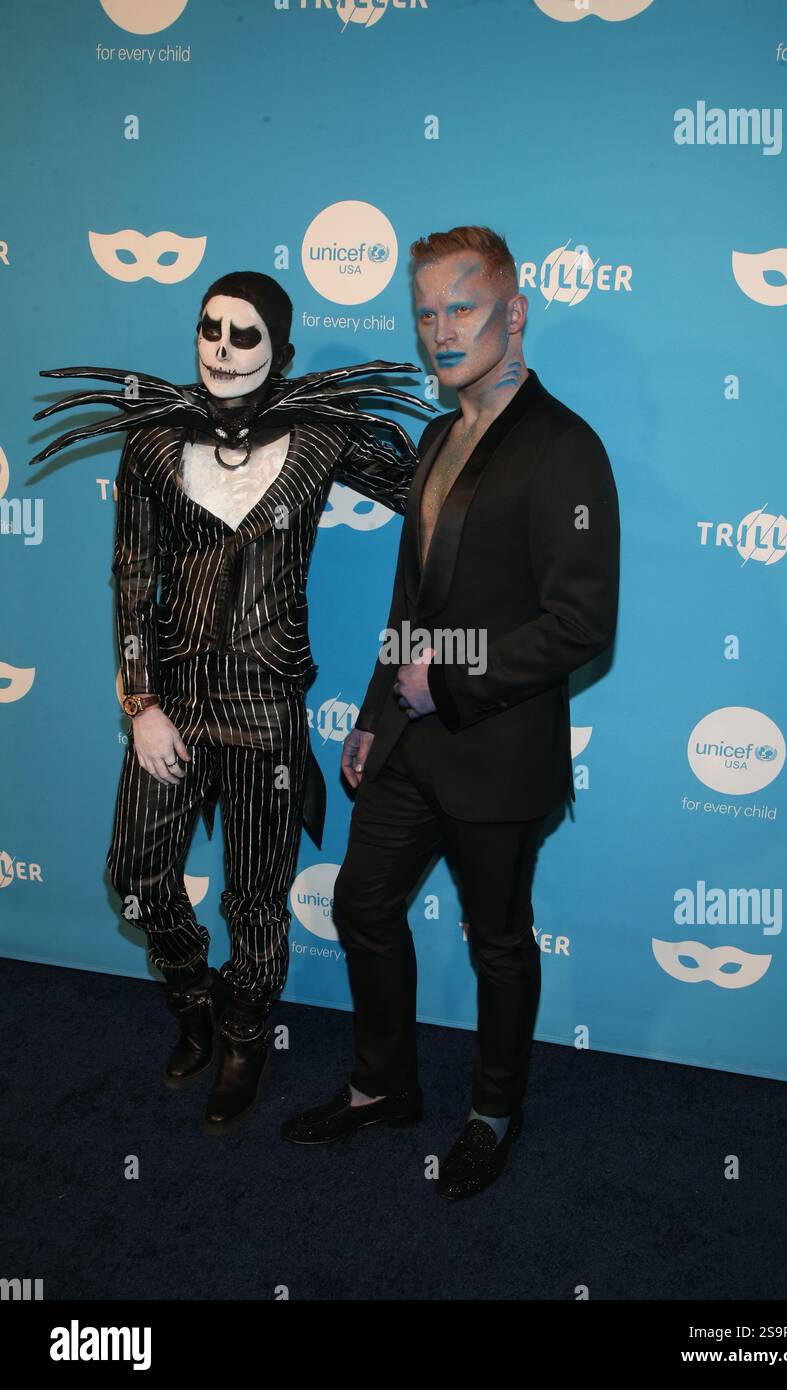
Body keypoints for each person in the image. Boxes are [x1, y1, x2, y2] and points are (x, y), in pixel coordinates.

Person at [29, 270, 429, 1135]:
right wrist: (139, 701)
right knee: (135, 878)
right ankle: (193, 998)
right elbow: (133, 575)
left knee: (254, 897)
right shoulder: (152, 439)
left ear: (278, 350)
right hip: (172, 698)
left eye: (244, 335)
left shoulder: (323, 434)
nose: (221, 347)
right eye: (210, 328)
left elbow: (426, 489)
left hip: (266, 703)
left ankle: (246, 1035)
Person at [280, 228, 620, 1199]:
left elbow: (581, 621)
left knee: (497, 942)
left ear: (514, 314)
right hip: (414, 743)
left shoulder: (565, 448)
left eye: (460, 308)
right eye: (424, 312)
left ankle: (492, 1112)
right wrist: (380, 708)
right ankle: (382, 1086)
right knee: (359, 904)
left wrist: (453, 680)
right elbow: (411, 601)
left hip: (501, 754)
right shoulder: (434, 436)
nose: (439, 329)